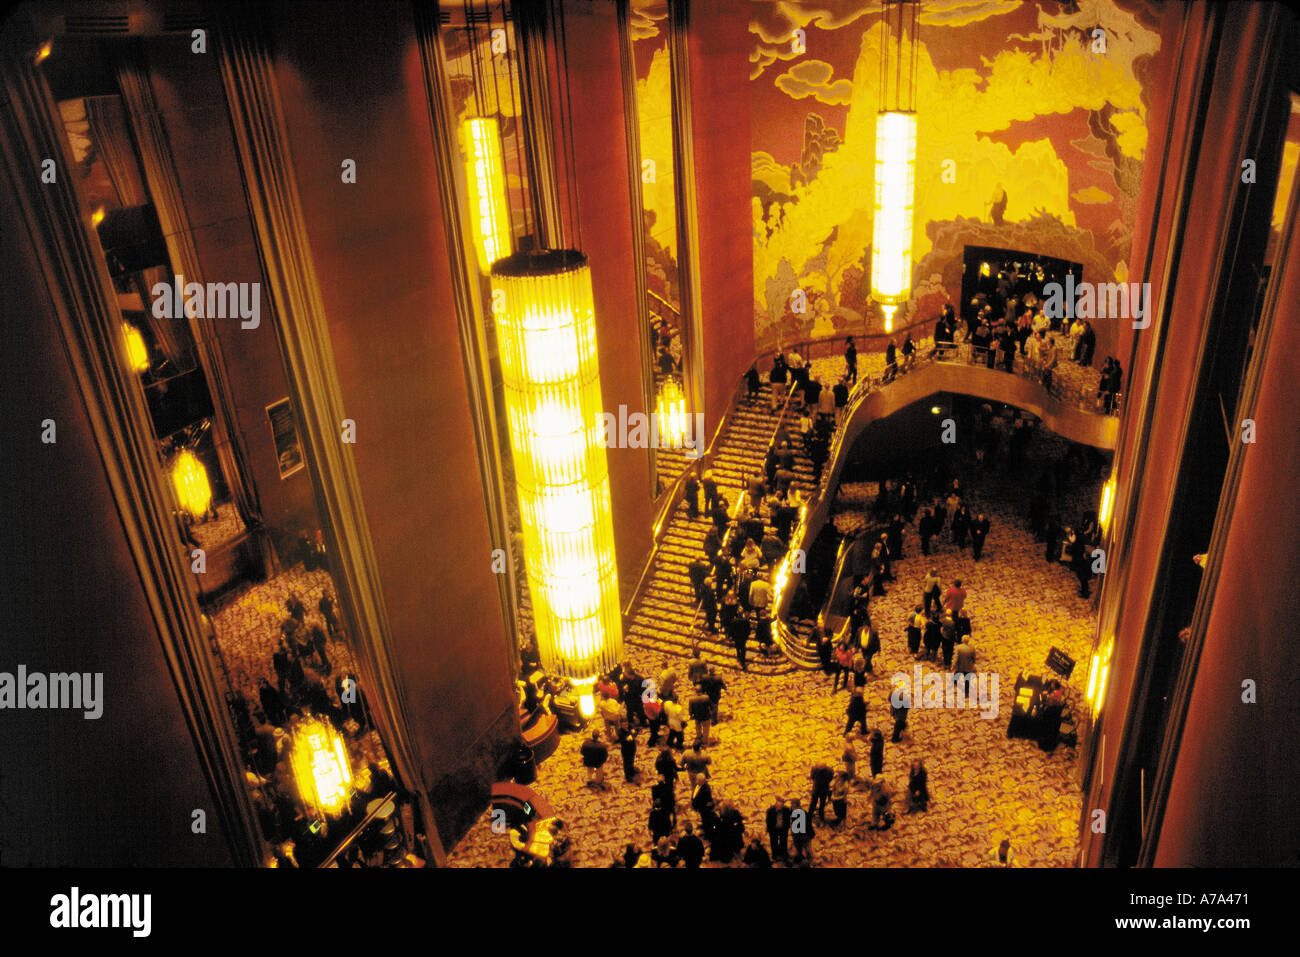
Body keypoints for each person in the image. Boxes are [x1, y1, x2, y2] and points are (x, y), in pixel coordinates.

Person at [766, 796, 791, 862]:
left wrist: (787, 827)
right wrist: (770, 830)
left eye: (781, 806)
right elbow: (768, 821)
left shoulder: (786, 810)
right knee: (774, 842)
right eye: (778, 806)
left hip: (783, 829)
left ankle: (783, 854)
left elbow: (788, 819)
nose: (779, 808)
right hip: (773, 830)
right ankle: (775, 855)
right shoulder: (770, 811)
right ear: (776, 805)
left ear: (783, 805)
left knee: (783, 842)